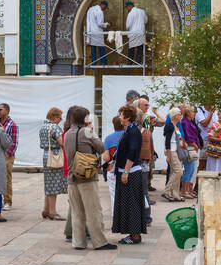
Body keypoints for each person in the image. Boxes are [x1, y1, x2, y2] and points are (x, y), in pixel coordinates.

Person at [62, 105, 116, 250]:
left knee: (77, 212)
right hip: (87, 177)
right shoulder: (87, 132)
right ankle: (99, 242)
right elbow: (101, 147)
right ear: (85, 118)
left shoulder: (67, 133)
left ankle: (78, 242)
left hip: (72, 177)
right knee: (93, 212)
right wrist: (92, 132)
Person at [112, 104, 146, 244]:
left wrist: (126, 171)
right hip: (125, 171)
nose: (119, 116)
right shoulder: (129, 130)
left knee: (132, 204)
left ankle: (135, 235)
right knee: (128, 204)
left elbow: (132, 152)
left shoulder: (133, 131)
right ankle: (132, 233)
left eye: (121, 114)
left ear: (127, 117)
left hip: (130, 173)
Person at [39, 106, 66, 220]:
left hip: (46, 155)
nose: (61, 119)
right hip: (55, 156)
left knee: (49, 183)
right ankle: (53, 212)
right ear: (54, 117)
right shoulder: (55, 128)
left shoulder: (43, 127)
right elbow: (62, 142)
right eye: (60, 117)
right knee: (54, 184)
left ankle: (46, 209)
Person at [0, 102, 18, 210]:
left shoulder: (12, 124)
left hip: (7, 155)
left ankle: (8, 201)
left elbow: (14, 143)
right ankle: (0, 200)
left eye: (0, 110)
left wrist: (7, 155)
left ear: (7, 111)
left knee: (7, 178)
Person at [85, 0, 109, 66]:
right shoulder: (99, 11)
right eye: (105, 7)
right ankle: (104, 62)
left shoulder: (91, 9)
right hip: (97, 32)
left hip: (91, 31)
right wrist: (106, 24)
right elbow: (99, 23)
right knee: (101, 47)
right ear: (103, 5)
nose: (104, 9)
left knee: (93, 47)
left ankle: (94, 62)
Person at [124, 1, 148, 66]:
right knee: (140, 49)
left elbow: (128, 25)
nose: (127, 9)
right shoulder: (142, 11)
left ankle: (129, 63)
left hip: (133, 33)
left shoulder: (131, 13)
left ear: (129, 6)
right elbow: (146, 20)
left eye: (127, 8)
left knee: (131, 49)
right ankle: (138, 63)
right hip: (141, 33)